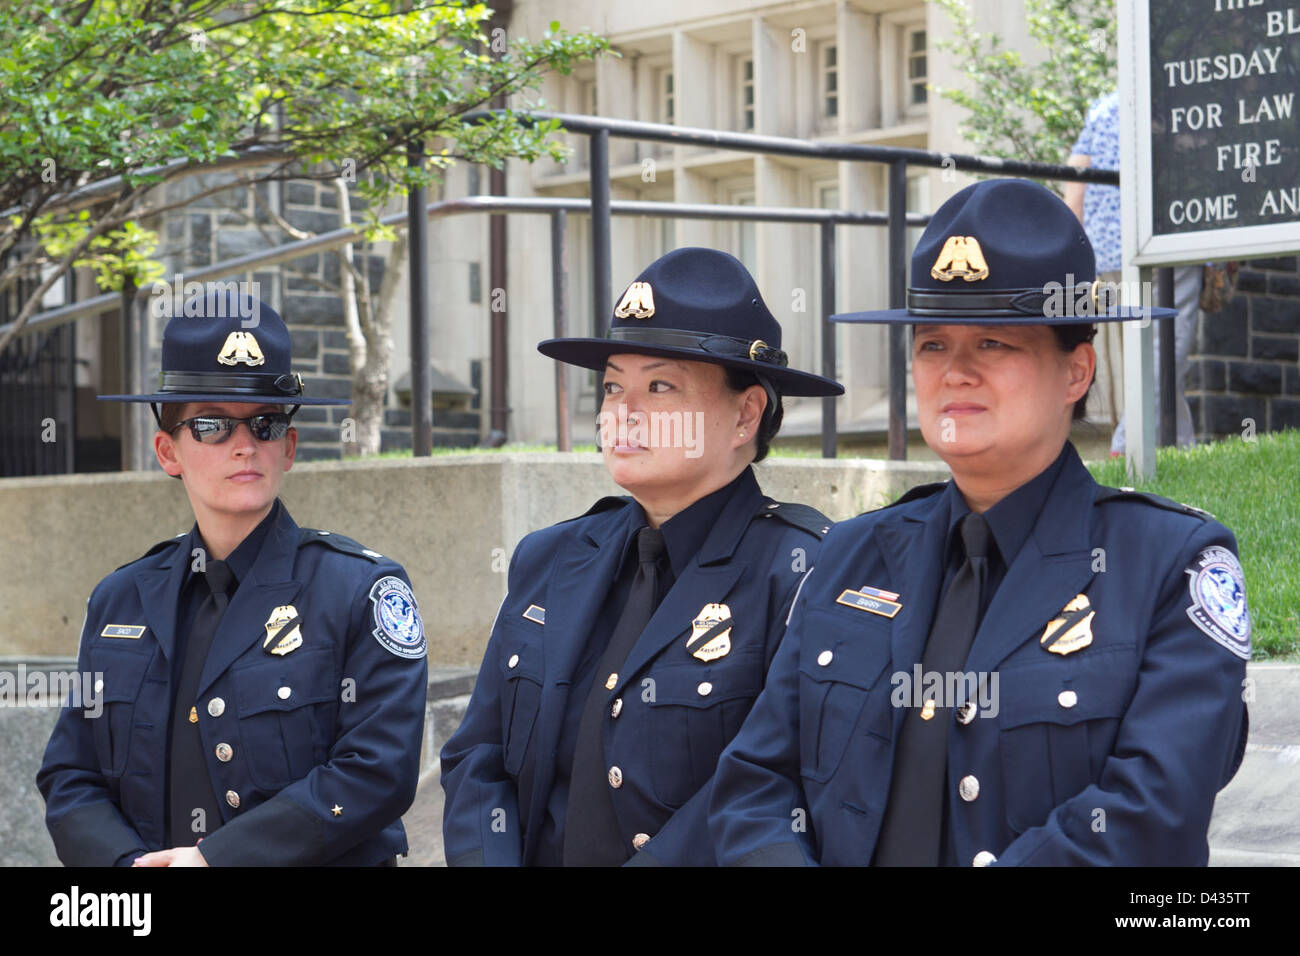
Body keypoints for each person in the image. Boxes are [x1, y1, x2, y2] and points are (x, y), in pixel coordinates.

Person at [709, 179, 1251, 866]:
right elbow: (754, 787)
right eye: (933, 345)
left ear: (1076, 370)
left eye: (993, 343)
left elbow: (1150, 816)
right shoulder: (852, 554)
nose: (955, 372)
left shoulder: (1169, 566)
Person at [440, 247, 844, 866]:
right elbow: (477, 759)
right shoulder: (550, 557)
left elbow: (781, 789)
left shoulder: (803, 572)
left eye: (659, 386)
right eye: (611, 386)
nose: (621, 414)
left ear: (745, 414)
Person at [36, 288, 427, 866]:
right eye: (213, 426)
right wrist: (125, 867)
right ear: (167, 453)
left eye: (265, 425)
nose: (245, 446)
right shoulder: (121, 599)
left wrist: (218, 860)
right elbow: (71, 773)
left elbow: (376, 773)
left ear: (289, 447)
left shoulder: (358, 592)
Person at [1064, 89, 1199, 453]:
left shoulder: (1104, 105)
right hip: (1166, 239)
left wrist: (1076, 255)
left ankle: (1179, 447)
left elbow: (1074, 184)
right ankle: (1127, 445)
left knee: (1137, 359)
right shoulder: (1184, 97)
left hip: (1109, 251)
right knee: (1165, 351)